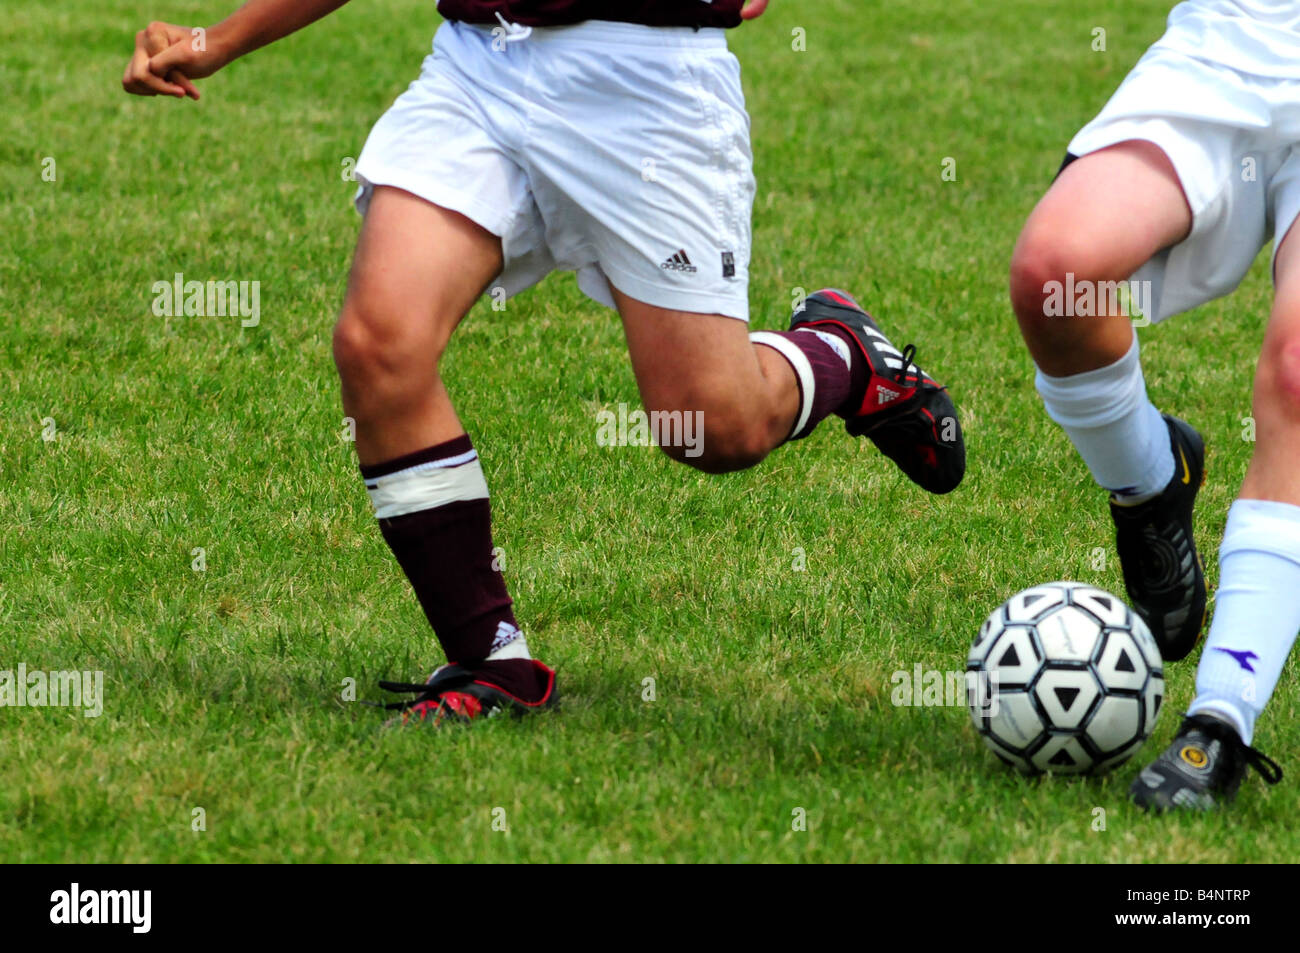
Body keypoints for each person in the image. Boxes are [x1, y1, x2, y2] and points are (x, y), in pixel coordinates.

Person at [123, 0, 964, 727]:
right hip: (480, 66)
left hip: (650, 81)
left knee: (715, 428)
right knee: (380, 343)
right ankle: (493, 662)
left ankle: (845, 358)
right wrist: (218, 38)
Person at [1009, 0, 1291, 810]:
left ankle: (1219, 725)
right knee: (1055, 275)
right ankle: (1151, 483)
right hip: (1232, 41)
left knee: (1298, 370)